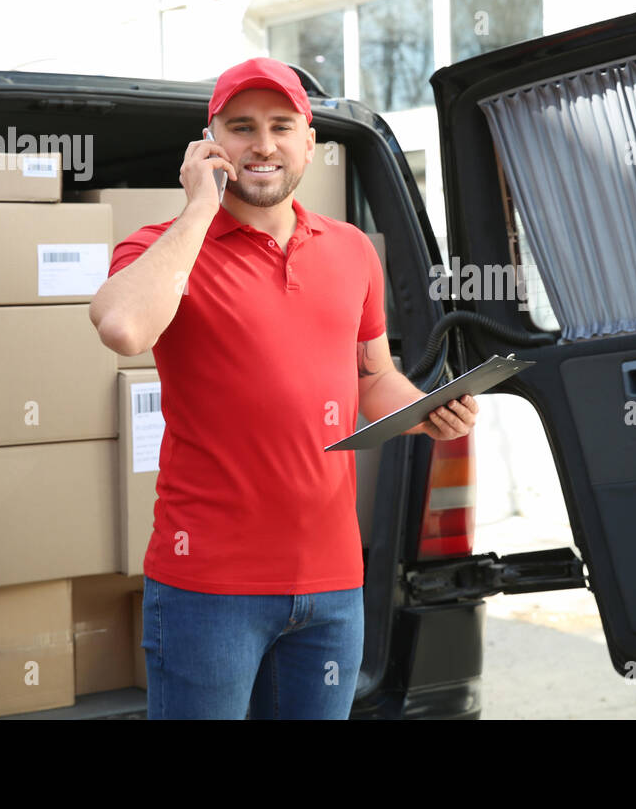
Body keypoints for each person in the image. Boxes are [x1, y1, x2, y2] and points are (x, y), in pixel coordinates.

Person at [88, 57, 479, 719]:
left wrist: (425, 411)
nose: (263, 145)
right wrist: (198, 209)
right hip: (209, 589)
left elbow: (372, 376)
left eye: (281, 126)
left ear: (310, 144)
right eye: (241, 128)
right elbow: (124, 328)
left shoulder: (352, 251)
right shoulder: (164, 248)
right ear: (209, 144)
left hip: (332, 590)